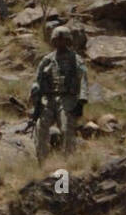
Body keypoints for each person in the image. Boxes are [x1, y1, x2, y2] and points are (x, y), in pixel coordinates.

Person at [28, 26, 88, 160]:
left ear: (68, 41)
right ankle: (42, 161)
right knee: (40, 126)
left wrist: (82, 101)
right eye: (57, 40)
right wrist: (35, 90)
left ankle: (69, 161)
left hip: (67, 99)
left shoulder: (76, 59)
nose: (60, 43)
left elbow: (83, 78)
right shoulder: (47, 60)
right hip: (48, 100)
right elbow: (37, 78)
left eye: (63, 40)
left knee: (67, 128)